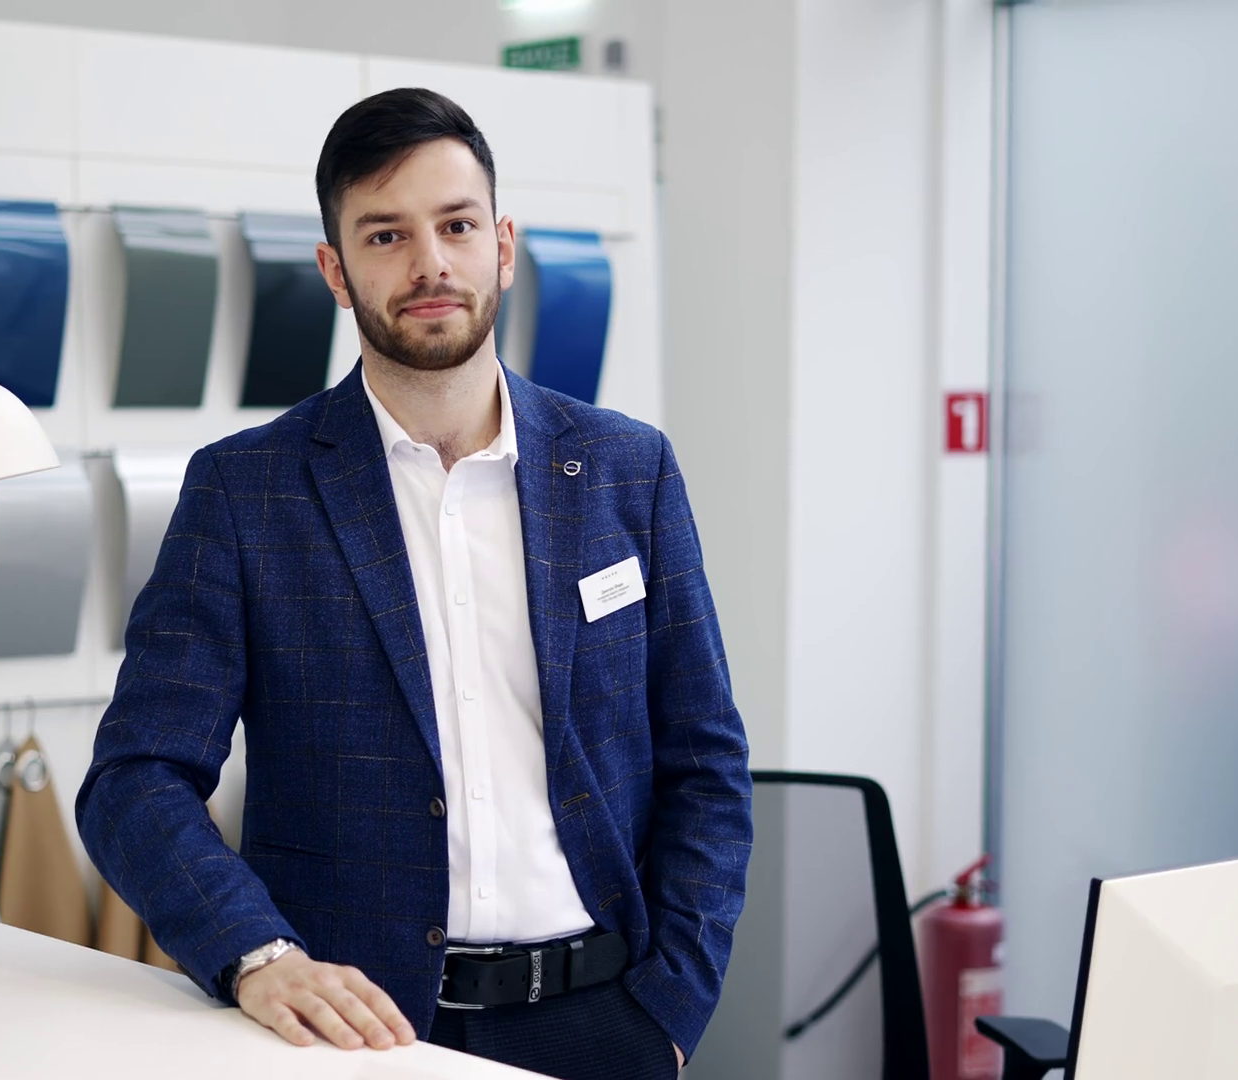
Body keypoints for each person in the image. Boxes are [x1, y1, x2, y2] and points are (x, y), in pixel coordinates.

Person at [76, 87, 752, 1080]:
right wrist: (257, 956)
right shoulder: (247, 492)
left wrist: (673, 1007)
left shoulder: (626, 469)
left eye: (457, 225)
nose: (429, 262)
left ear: (503, 247)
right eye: (386, 235)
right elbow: (135, 779)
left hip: (605, 1024)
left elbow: (706, 761)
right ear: (335, 271)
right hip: (354, 1035)